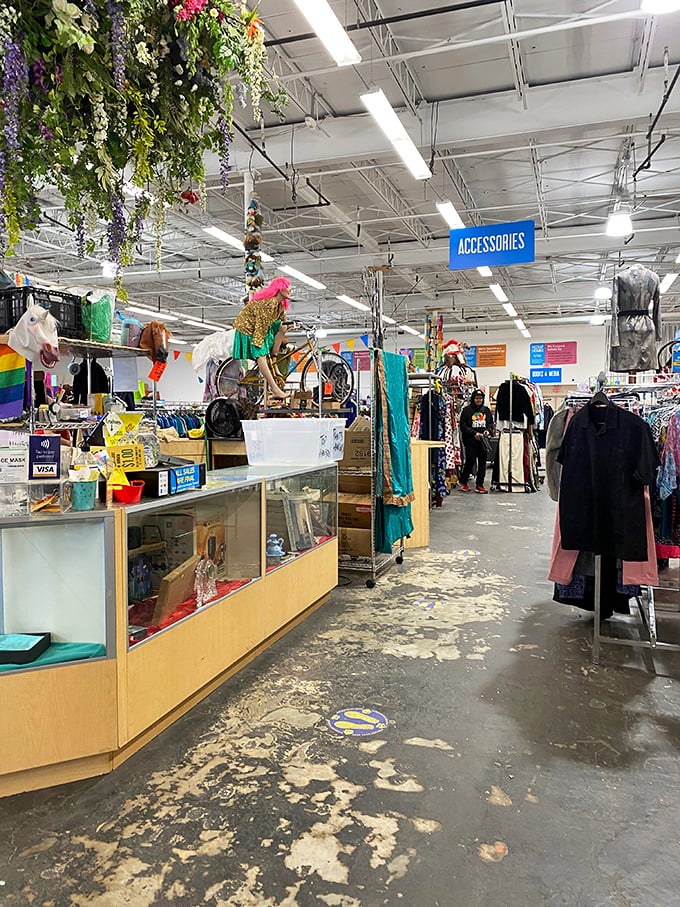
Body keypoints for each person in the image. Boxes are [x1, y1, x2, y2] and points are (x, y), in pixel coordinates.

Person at [232, 276, 292, 400]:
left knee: (283, 327)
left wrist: (291, 325)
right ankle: (275, 389)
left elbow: (282, 322)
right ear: (280, 289)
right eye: (287, 287)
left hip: (262, 326)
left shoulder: (279, 305)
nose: (289, 290)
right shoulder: (269, 304)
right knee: (261, 355)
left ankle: (274, 360)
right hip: (248, 327)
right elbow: (260, 326)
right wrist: (260, 347)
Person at [459, 388, 494, 493]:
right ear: (473, 399)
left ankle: (480, 484)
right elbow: (463, 426)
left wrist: (488, 431)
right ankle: (463, 481)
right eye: (476, 398)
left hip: (483, 442)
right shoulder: (466, 410)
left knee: (483, 463)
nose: (478, 400)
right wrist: (474, 433)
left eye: (480, 398)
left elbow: (491, 424)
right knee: (470, 462)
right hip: (470, 441)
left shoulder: (486, 410)